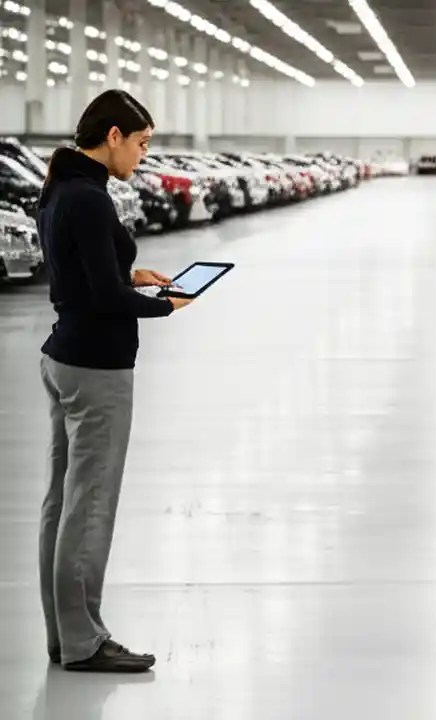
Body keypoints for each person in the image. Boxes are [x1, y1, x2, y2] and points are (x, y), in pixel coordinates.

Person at [37, 90, 192, 673]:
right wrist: (165, 305)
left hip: (64, 358)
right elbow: (102, 297)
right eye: (142, 143)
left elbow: (82, 275)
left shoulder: (63, 191)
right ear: (113, 138)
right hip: (97, 369)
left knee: (61, 504)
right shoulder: (90, 198)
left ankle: (64, 635)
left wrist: (132, 275)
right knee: (91, 505)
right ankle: (85, 643)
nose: (144, 156)